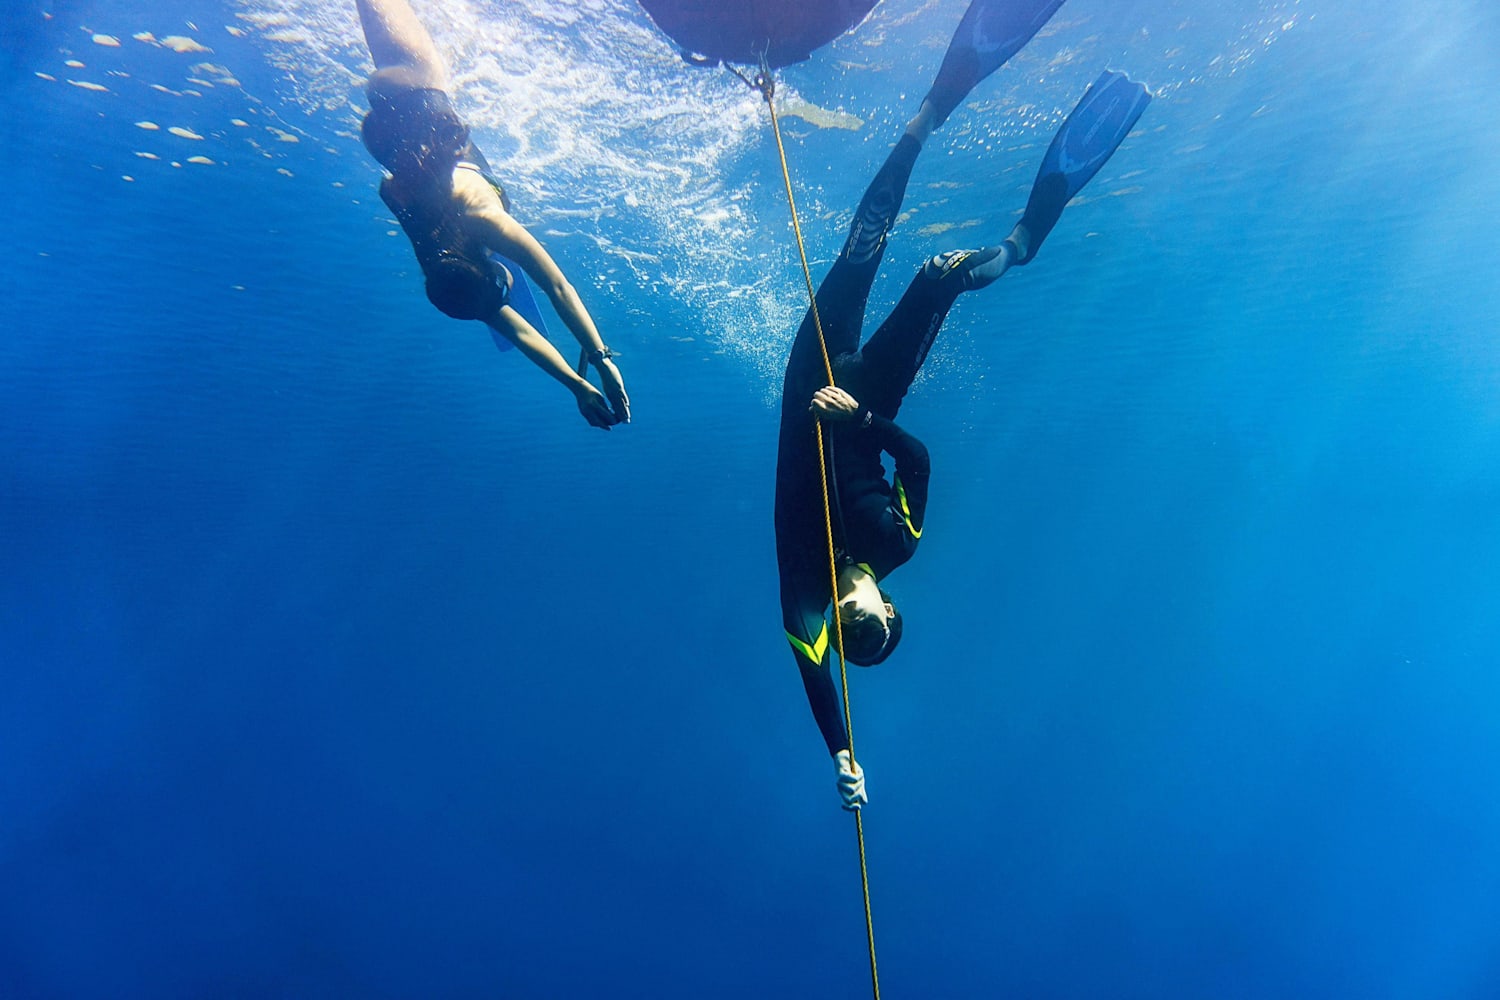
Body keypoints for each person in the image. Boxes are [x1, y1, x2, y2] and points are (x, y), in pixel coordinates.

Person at [774, 0, 1151, 809]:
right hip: (866, 402)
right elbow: (918, 459)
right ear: (887, 604)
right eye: (869, 625)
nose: (849, 621)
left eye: (850, 637)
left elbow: (811, 670)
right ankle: (1019, 241)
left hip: (807, 381)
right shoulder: (899, 543)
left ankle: (924, 116)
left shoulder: (804, 586)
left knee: (861, 248)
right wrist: (864, 421)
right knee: (942, 274)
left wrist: (844, 756)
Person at [354, 0, 630, 429]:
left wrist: (601, 358)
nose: (505, 297)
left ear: (486, 265)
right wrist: (577, 385)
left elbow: (556, 286)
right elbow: (517, 331)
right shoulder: (435, 257)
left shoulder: (483, 219)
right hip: (387, 119)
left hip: (420, 89)